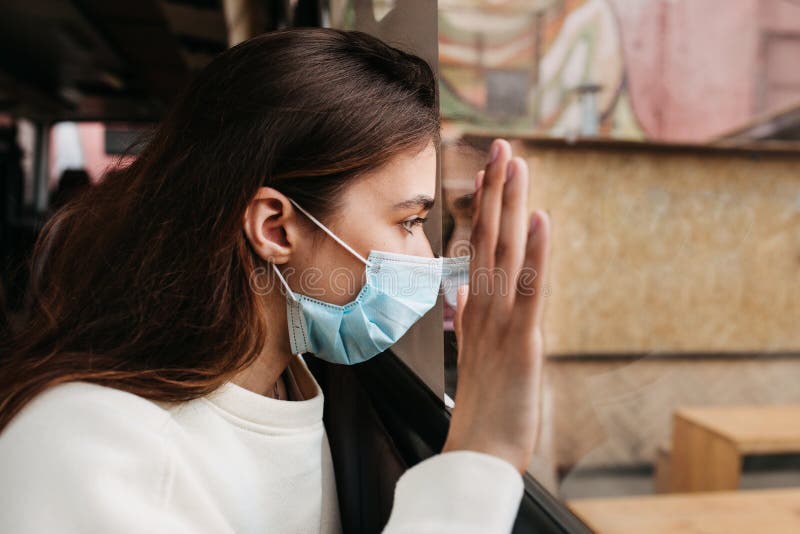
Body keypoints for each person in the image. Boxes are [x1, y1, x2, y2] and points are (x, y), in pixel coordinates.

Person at [0, 28, 550, 533]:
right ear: (275, 229)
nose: (427, 257)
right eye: (408, 221)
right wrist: (483, 451)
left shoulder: (288, 381)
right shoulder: (93, 451)